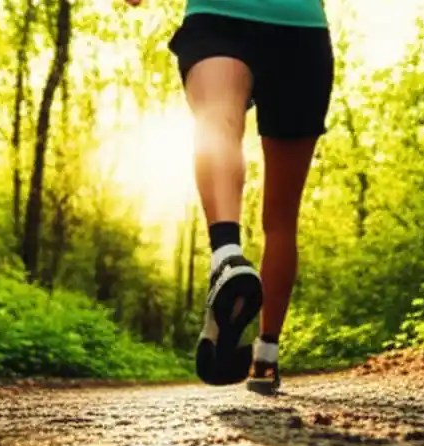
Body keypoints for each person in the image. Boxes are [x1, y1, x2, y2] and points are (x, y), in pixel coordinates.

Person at [124, 0, 334, 395]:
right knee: (282, 217)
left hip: (218, 16)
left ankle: (226, 257)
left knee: (217, 122)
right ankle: (266, 355)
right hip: (301, 30)